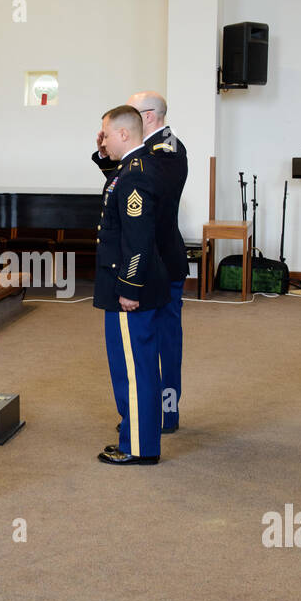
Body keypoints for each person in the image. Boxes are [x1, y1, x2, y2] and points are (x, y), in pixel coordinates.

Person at [93, 90, 187, 433]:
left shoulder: (166, 150)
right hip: (145, 260)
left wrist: (121, 151)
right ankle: (143, 416)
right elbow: (121, 185)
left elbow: (140, 186)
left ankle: (163, 414)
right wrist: (109, 154)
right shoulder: (142, 157)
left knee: (160, 346)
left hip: (159, 263)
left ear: (147, 116)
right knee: (142, 348)